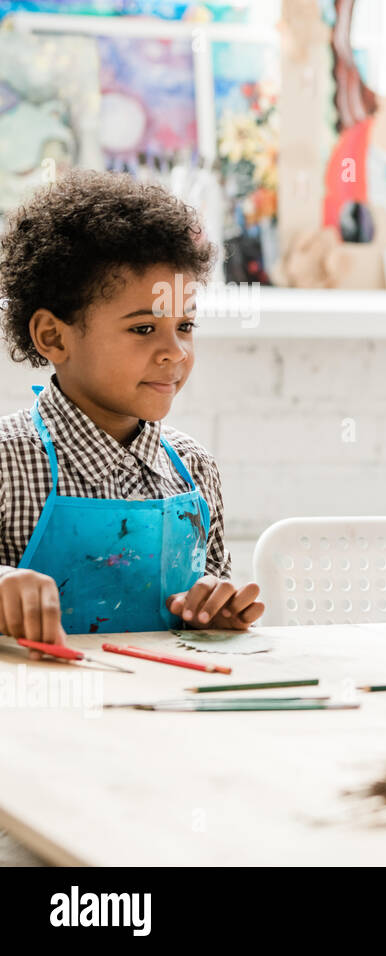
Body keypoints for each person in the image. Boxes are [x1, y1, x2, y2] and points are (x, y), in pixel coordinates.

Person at [0, 170, 263, 653]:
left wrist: (217, 611)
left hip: (156, 713)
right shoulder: (6, 462)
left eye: (184, 326)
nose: (176, 352)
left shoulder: (194, 468)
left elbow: (209, 614)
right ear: (54, 337)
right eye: (143, 329)